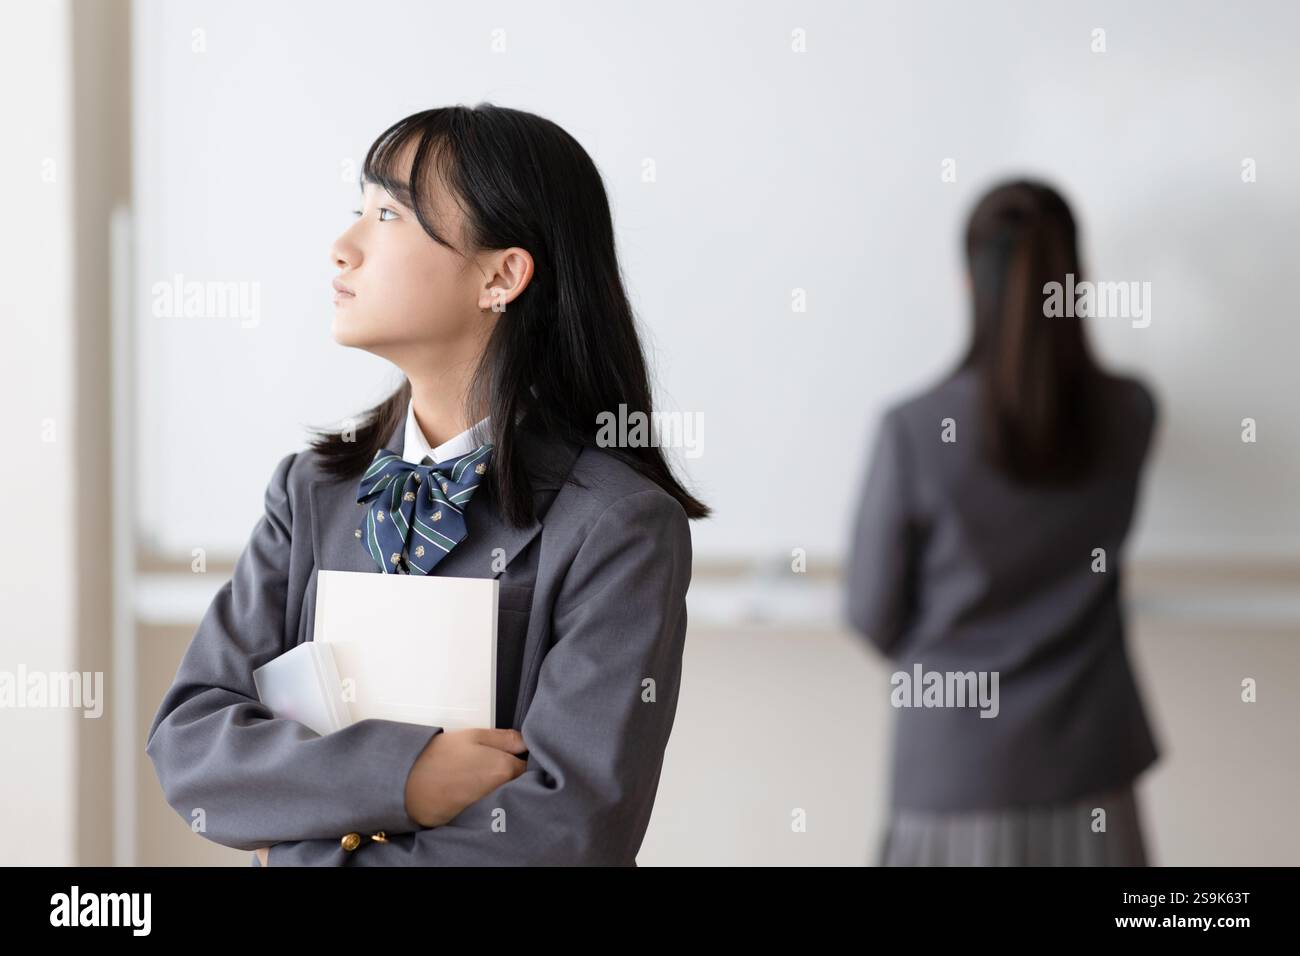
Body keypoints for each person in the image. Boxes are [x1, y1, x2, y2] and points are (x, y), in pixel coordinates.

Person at [145, 104, 708, 866]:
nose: (343, 249)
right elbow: (192, 746)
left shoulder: (619, 524)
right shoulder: (311, 491)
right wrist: (406, 778)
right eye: (358, 211)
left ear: (500, 275)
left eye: (386, 215)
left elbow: (566, 833)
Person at [846, 179, 1160, 866]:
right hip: (1093, 769)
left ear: (968, 281)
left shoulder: (915, 430)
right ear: (1075, 282)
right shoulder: (1132, 413)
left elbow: (871, 612)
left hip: (955, 773)